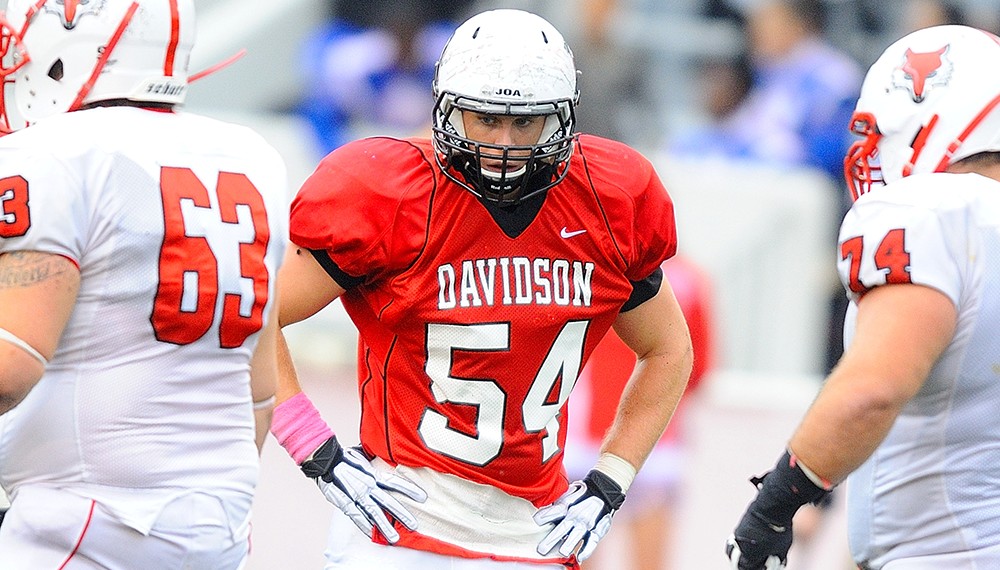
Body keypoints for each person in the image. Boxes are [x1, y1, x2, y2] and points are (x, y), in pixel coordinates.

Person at [269, 8, 693, 569]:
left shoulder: (609, 198)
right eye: (486, 119)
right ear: (447, 110)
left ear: (563, 119)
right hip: (403, 530)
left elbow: (669, 349)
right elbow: (252, 314)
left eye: (526, 123)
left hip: (537, 536)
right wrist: (317, 452)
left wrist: (612, 479)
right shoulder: (391, 194)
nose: (505, 144)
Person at [0, 1, 289, 568]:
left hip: (84, 522)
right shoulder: (253, 156)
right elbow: (257, 391)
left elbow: (14, 361)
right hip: (218, 521)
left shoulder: (55, 154)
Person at [727, 24, 1000, 570]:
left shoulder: (932, 212)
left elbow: (873, 388)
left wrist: (773, 507)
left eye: (883, 131)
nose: (870, 153)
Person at [564, 255, 713, 570]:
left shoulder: (587, 264)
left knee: (576, 557)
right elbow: (698, 369)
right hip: (654, 442)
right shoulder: (690, 279)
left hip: (587, 440)